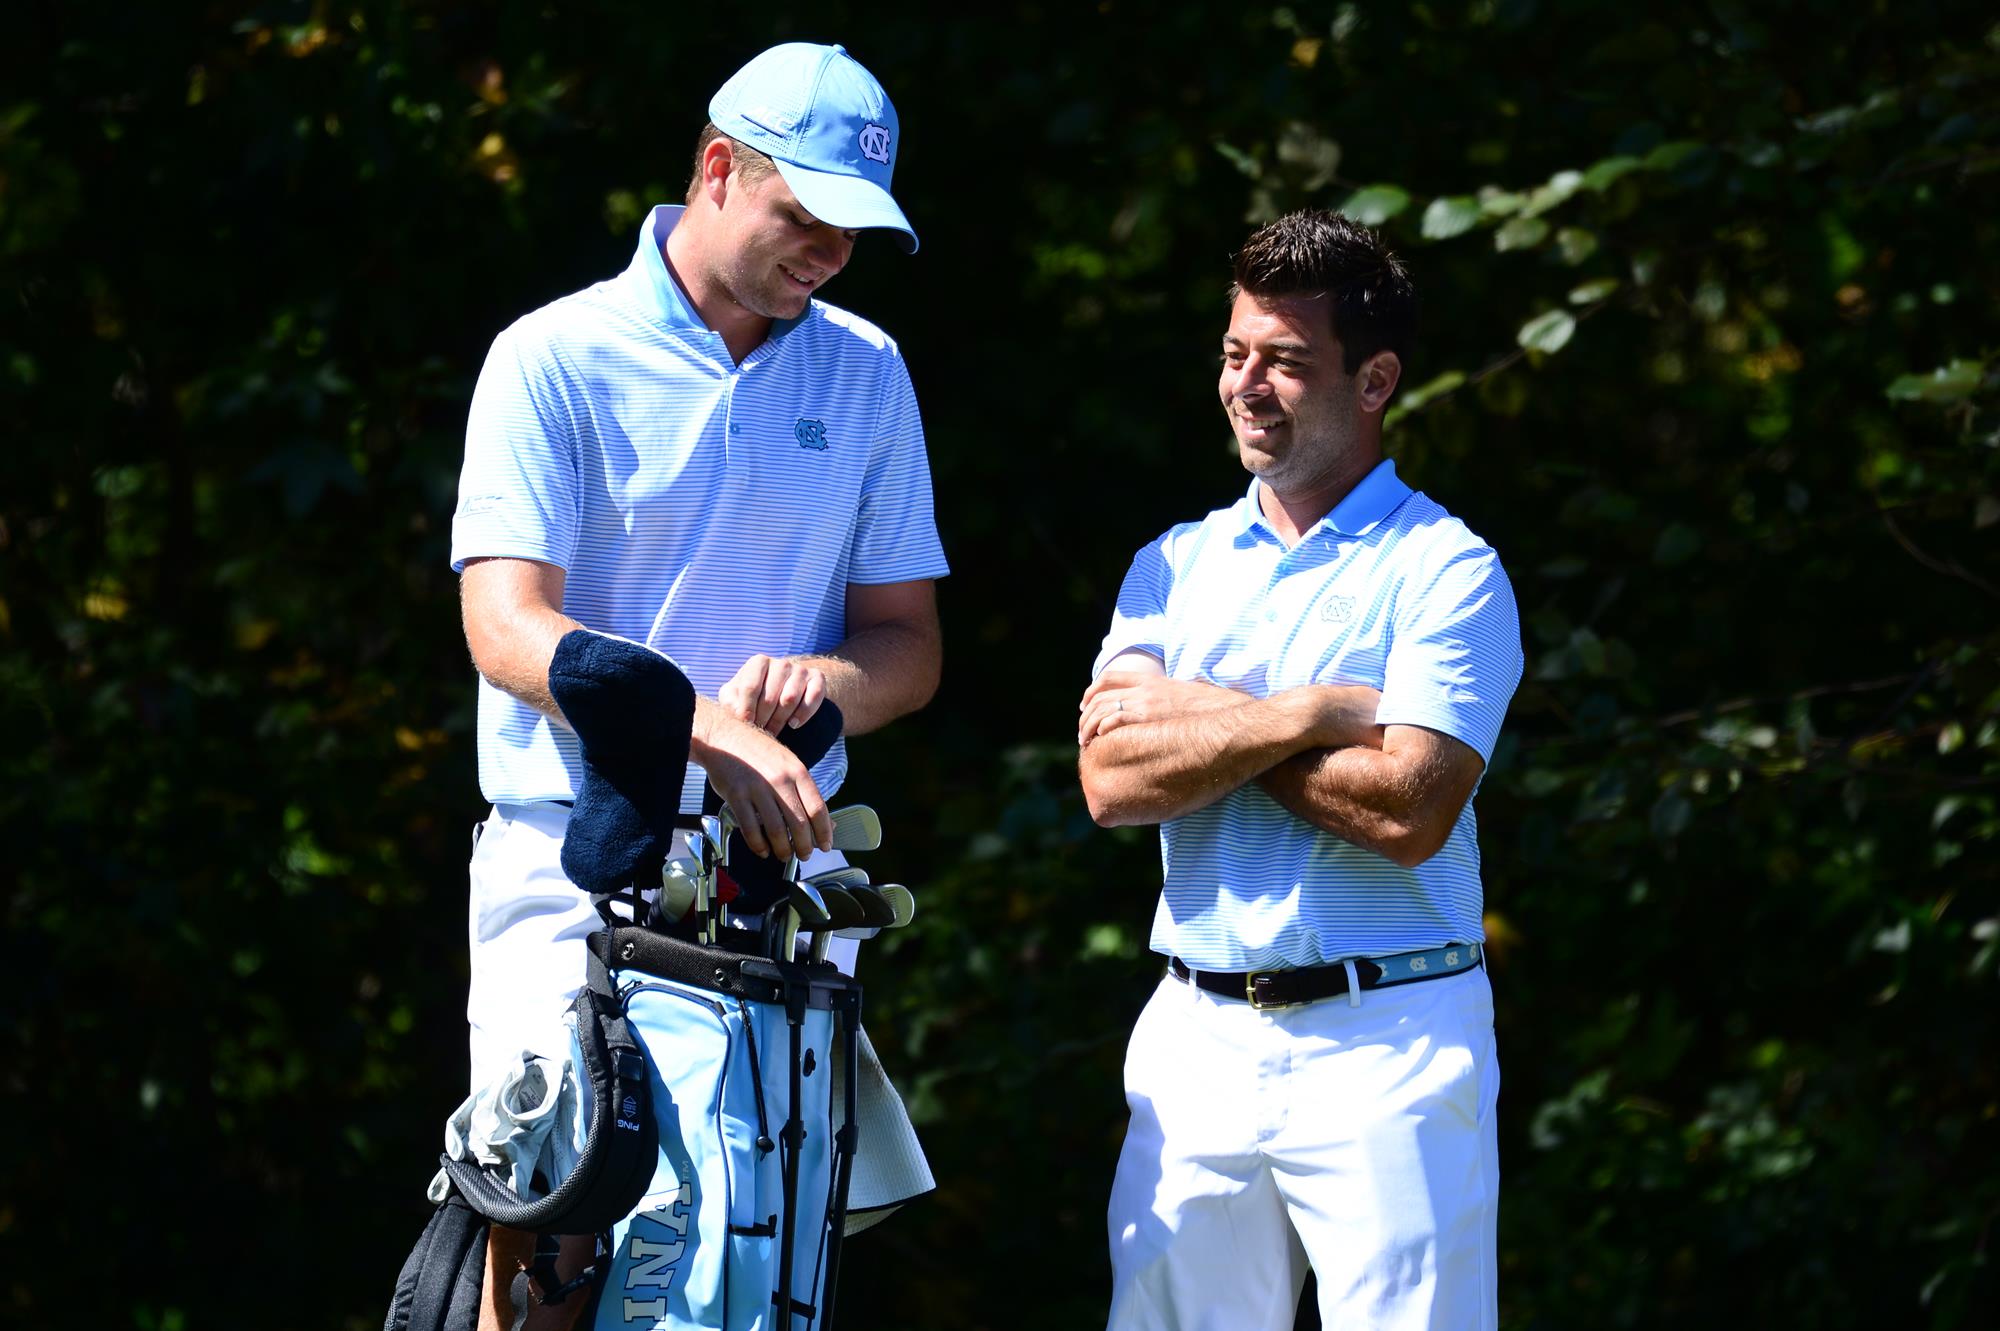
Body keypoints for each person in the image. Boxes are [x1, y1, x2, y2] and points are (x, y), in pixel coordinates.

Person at [449, 42, 947, 1330]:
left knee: (754, 1265)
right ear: (718, 171)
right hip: (571, 873)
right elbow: (505, 628)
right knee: (554, 1249)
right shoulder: (550, 355)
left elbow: (907, 646)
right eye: (806, 217)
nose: (830, 253)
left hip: (774, 888)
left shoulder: (869, 371)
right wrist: (705, 727)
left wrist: (829, 677)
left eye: (854, 229)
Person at [1076, 209, 1523, 1330]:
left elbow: (1407, 809)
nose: (1246, 385)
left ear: (1373, 380)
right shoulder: (1169, 563)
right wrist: (1307, 713)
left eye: (1283, 361)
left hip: (1393, 1030)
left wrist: (1202, 718)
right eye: (1234, 354)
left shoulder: (1446, 569)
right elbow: (1109, 780)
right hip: (1193, 1032)